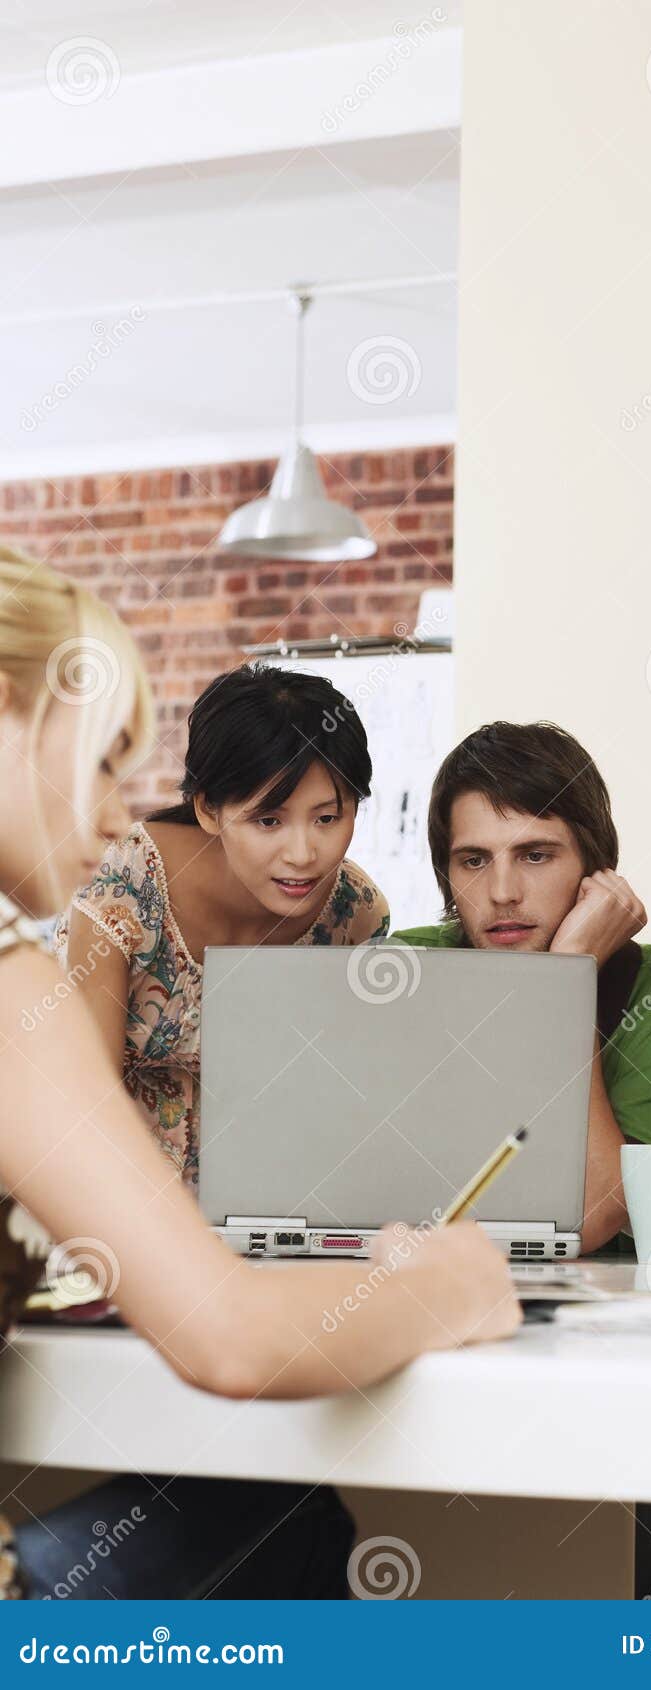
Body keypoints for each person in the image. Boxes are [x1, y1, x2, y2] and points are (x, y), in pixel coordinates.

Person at [0, 545, 520, 1600]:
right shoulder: (27, 981)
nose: (115, 811)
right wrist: (456, 1280)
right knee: (282, 1520)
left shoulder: (353, 911)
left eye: (329, 815)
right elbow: (234, 1341)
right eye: (102, 759)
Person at [391, 720, 651, 1600]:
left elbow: (587, 1217)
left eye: (535, 853)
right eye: (472, 861)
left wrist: (565, 978)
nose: (502, 891)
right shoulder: (399, 976)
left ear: (595, 869)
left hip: (612, 1373)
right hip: (441, 1358)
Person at [55, 664, 389, 1186]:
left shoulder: (353, 914)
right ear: (209, 809)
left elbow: (342, 1101)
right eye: (268, 820)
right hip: (110, 1201)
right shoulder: (124, 883)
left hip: (273, 1203)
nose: (303, 855)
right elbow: (85, 1105)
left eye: (327, 818)